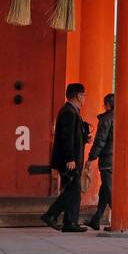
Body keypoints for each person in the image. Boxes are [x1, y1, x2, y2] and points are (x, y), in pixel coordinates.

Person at [41, 83, 88, 232]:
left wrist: (85, 138)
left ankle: (70, 222)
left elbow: (73, 136)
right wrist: (70, 159)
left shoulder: (73, 111)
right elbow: (66, 138)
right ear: (78, 96)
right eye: (84, 95)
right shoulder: (69, 112)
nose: (85, 98)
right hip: (69, 160)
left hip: (72, 158)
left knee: (73, 189)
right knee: (72, 190)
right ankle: (51, 214)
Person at [85, 93, 114, 230]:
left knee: (109, 189)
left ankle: (119, 219)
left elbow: (100, 140)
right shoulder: (123, 116)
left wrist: (91, 157)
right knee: (105, 190)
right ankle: (96, 219)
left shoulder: (107, 119)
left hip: (108, 158)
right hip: (118, 158)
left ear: (108, 104)